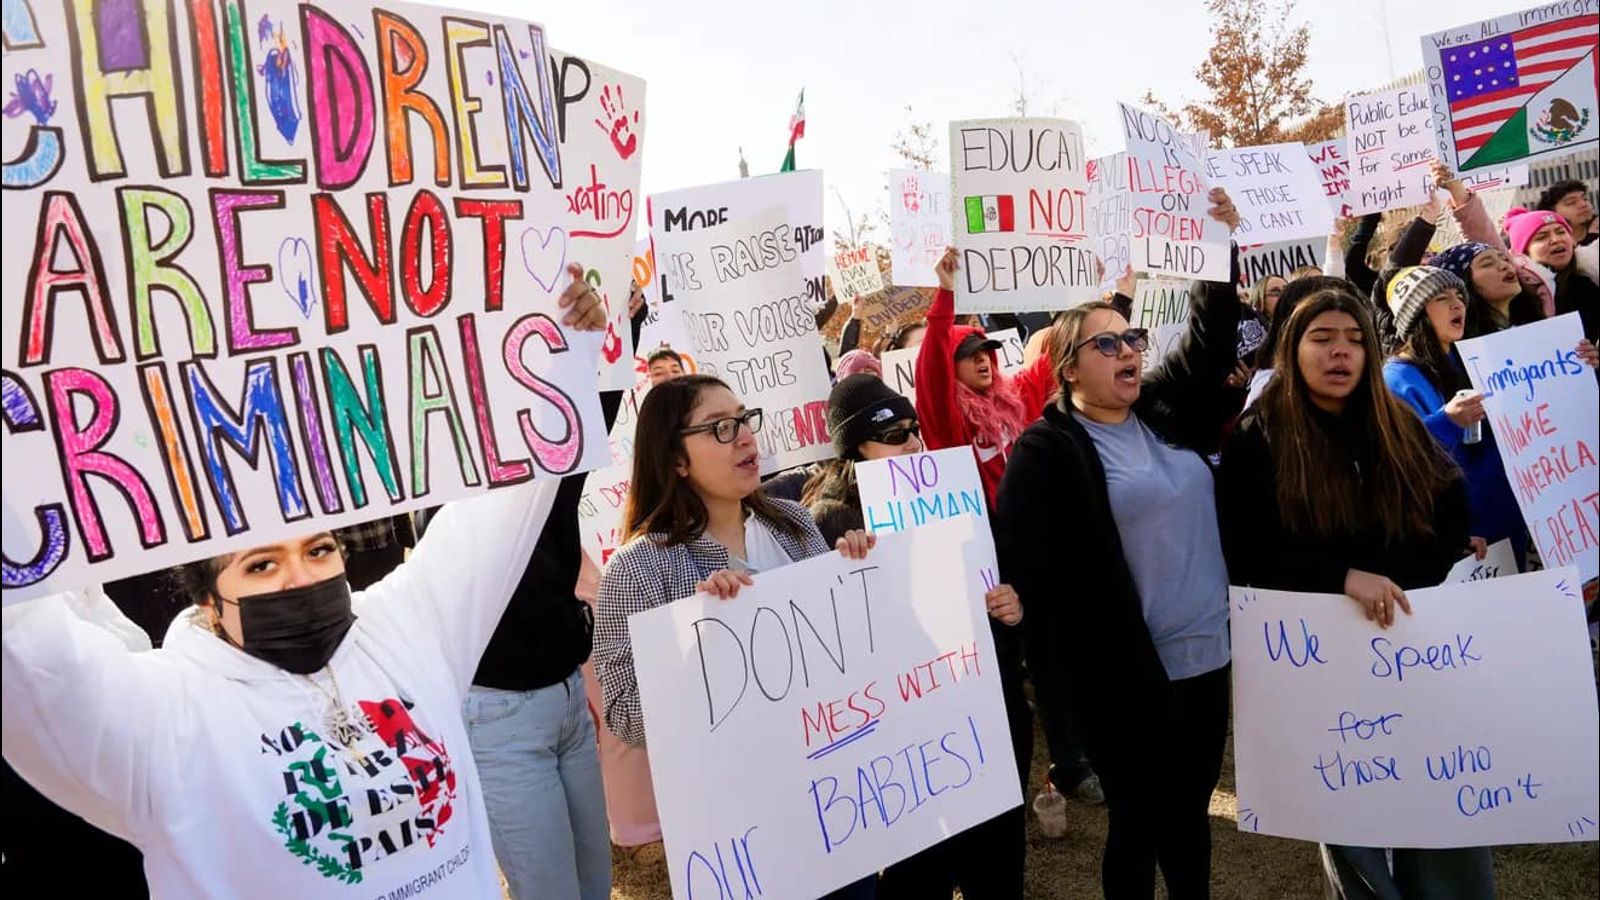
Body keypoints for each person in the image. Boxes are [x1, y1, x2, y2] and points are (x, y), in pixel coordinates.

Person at [1, 271, 608, 898]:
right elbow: (27, 650)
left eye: (318, 550)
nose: (301, 577)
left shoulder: (405, 631)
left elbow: (503, 509)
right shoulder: (160, 721)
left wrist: (566, 352)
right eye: (261, 565)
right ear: (209, 600)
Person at [996, 189, 1242, 900]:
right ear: (1068, 367)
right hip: (1126, 677)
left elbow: (1206, 345)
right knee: (1139, 822)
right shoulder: (1049, 450)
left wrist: (1217, 248)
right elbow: (1031, 566)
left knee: (1188, 819)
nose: (1129, 351)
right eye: (1107, 343)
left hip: (1206, 658)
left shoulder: (1162, 411)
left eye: (1131, 339)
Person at [1215, 289, 1488, 900]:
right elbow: (1250, 549)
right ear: (1293, 348)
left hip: (1411, 639)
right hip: (1322, 655)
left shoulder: (1397, 422)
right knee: (1351, 805)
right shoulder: (1259, 438)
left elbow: (1447, 512)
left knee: (1436, 789)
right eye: (1323, 339)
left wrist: (1412, 576)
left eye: (1355, 339)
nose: (1341, 352)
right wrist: (1342, 578)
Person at [592, 374, 877, 899]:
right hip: (738, 824)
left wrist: (856, 571)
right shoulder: (639, 570)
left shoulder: (793, 522)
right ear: (676, 460)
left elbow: (844, 650)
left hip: (832, 796)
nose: (746, 437)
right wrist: (699, 647)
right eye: (721, 428)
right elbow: (624, 718)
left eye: (744, 420)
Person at [802, 373, 1031, 899]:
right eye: (893, 434)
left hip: (987, 705)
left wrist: (1014, 607)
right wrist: (846, 567)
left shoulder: (955, 490)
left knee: (998, 862)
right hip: (910, 733)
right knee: (923, 869)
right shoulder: (832, 519)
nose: (910, 442)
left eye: (914, 429)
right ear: (854, 448)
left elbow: (1000, 574)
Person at [465, 472, 611, 900]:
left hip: (568, 699)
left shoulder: (553, 433)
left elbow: (595, 407)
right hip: (500, 715)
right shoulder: (453, 464)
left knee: (595, 886)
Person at [1380, 266, 1525, 567]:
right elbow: (1399, 460)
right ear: (1417, 313)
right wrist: (1446, 422)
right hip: (1466, 542)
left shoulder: (1472, 360)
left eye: (1459, 295)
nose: (1458, 303)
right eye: (1442, 298)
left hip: (1506, 522)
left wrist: (1582, 362)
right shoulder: (1396, 380)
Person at [916, 249, 1036, 508]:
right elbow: (934, 361)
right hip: (991, 532)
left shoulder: (1013, 400)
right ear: (950, 367)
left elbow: (1057, 356)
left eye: (985, 352)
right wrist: (946, 291)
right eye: (970, 355)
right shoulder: (948, 419)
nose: (982, 359)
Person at [1536, 178, 1597, 244]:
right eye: (1571, 202)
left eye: (1585, 199)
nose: (1583, 204)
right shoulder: (1550, 243)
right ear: (1552, 212)